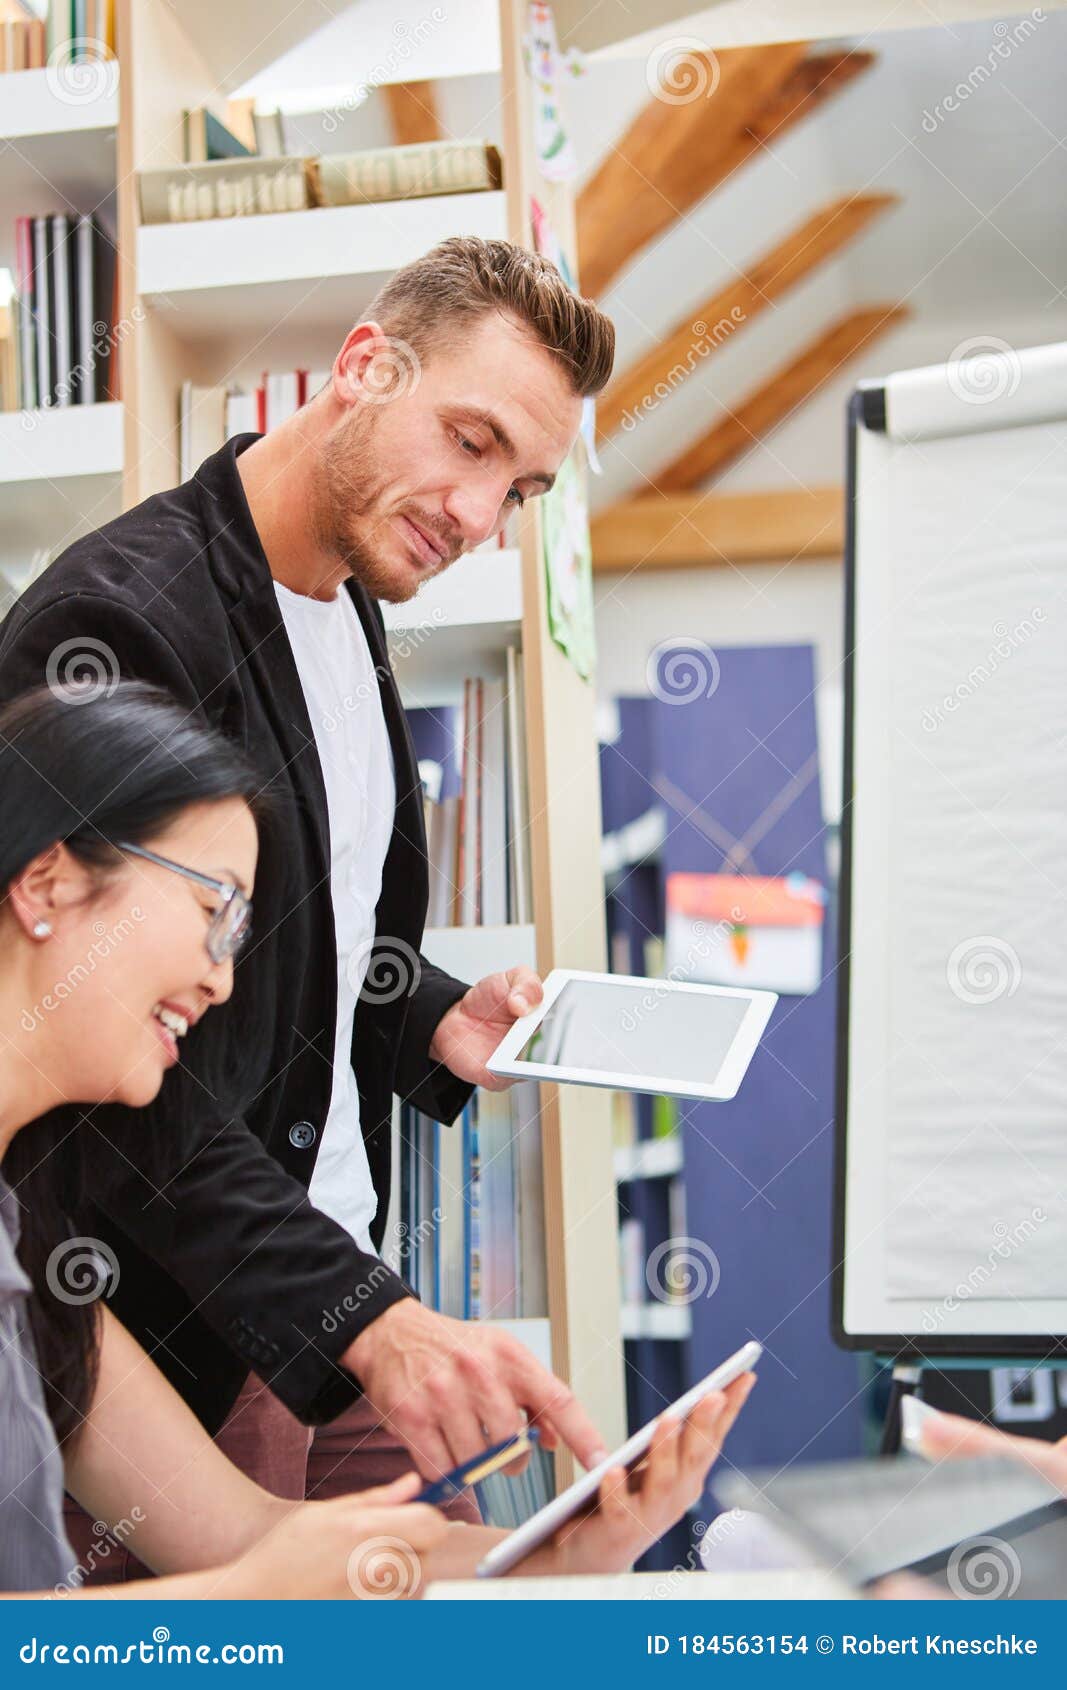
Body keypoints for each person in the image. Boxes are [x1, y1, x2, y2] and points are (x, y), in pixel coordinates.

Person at [0, 236, 619, 1540]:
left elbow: (309, 940)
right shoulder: (122, 622)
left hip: (335, 1273)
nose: (475, 514)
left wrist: (428, 1013)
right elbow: (86, 1056)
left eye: (518, 488)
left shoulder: (349, 596)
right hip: (176, 1324)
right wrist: (360, 1313)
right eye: (468, 440)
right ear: (361, 365)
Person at [0, 678, 755, 1597]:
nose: (223, 981)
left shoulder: (35, 1247)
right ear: (48, 882)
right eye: (211, 912)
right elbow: (242, 1570)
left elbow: (239, 1531)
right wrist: (261, 1584)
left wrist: (560, 1559)